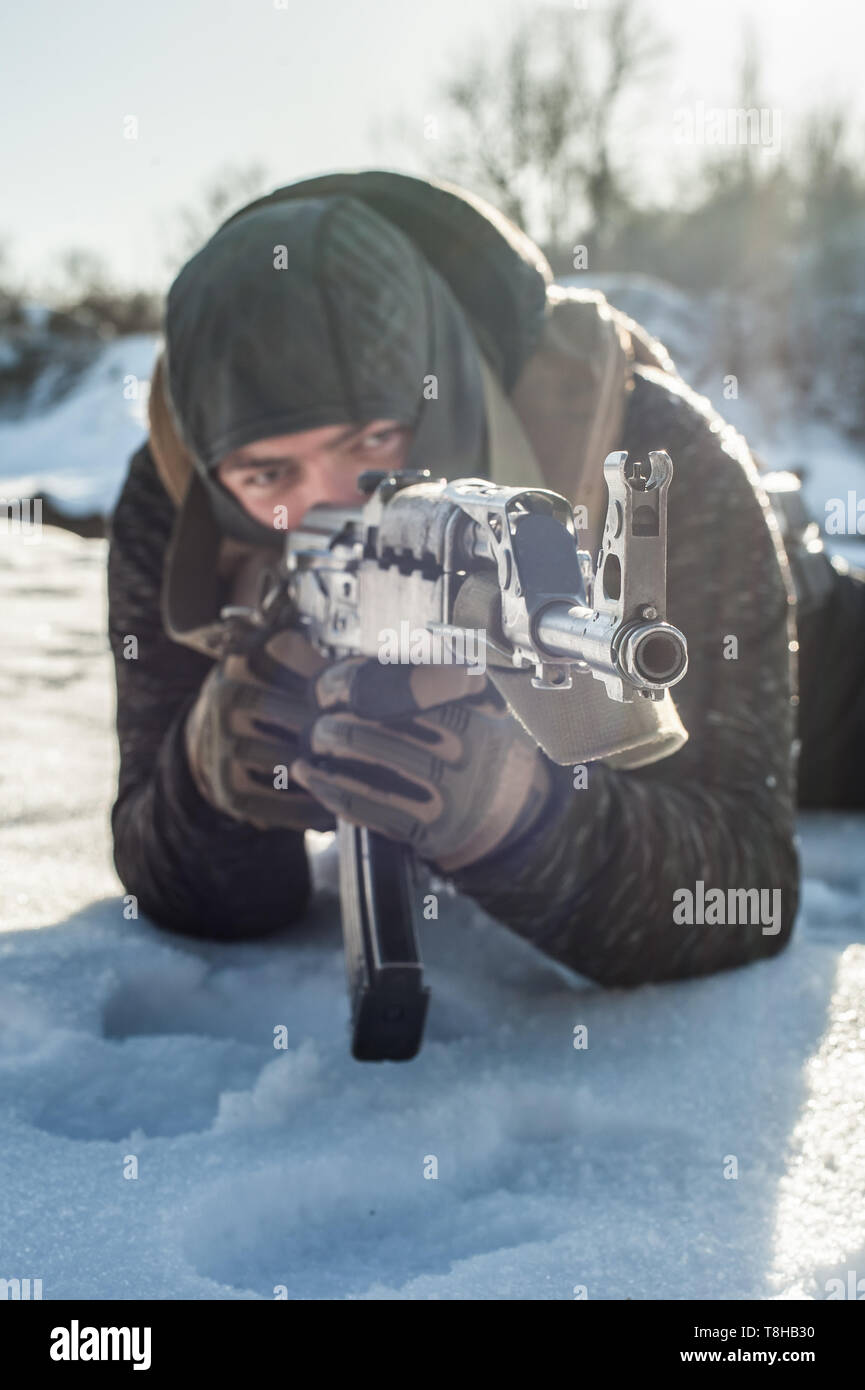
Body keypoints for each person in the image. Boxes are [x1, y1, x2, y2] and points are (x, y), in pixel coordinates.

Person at [108, 168, 848, 988]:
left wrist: (524, 823)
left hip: (813, 670)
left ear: (446, 389)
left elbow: (742, 895)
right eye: (267, 476)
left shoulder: (651, 449)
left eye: (374, 441)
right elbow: (164, 863)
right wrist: (209, 780)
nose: (333, 504)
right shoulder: (177, 488)